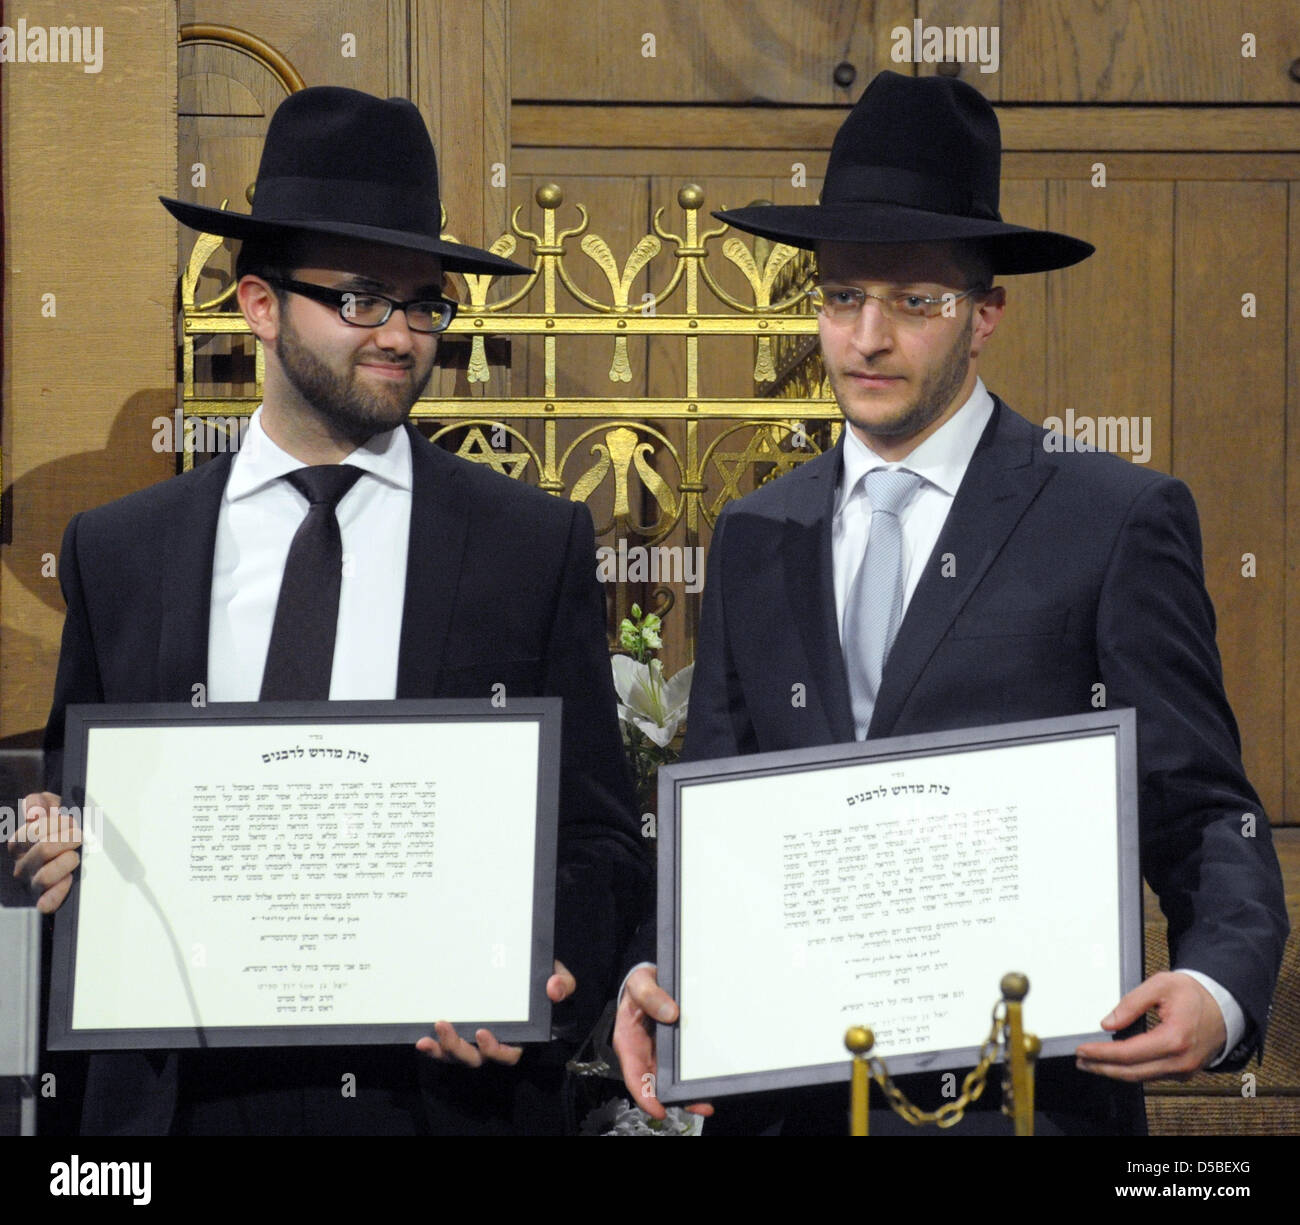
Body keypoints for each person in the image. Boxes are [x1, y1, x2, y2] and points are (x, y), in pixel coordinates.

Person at [613, 70, 1289, 1135]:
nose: (865, 338)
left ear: (984, 314)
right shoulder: (755, 533)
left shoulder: (1112, 516)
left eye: (912, 301)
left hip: (1024, 1108)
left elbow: (1207, 809)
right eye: (840, 297)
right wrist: (652, 964)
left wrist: (1218, 984)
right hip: (786, 1108)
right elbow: (718, 805)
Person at [8, 85, 649, 1135]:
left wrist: (541, 973)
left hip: (435, 1098)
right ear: (259, 305)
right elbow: (83, 810)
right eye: (360, 298)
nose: (400, 334)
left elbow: (599, 841)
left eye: (425, 301)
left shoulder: (529, 546)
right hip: (180, 1103)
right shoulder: (121, 551)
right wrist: (58, 840)